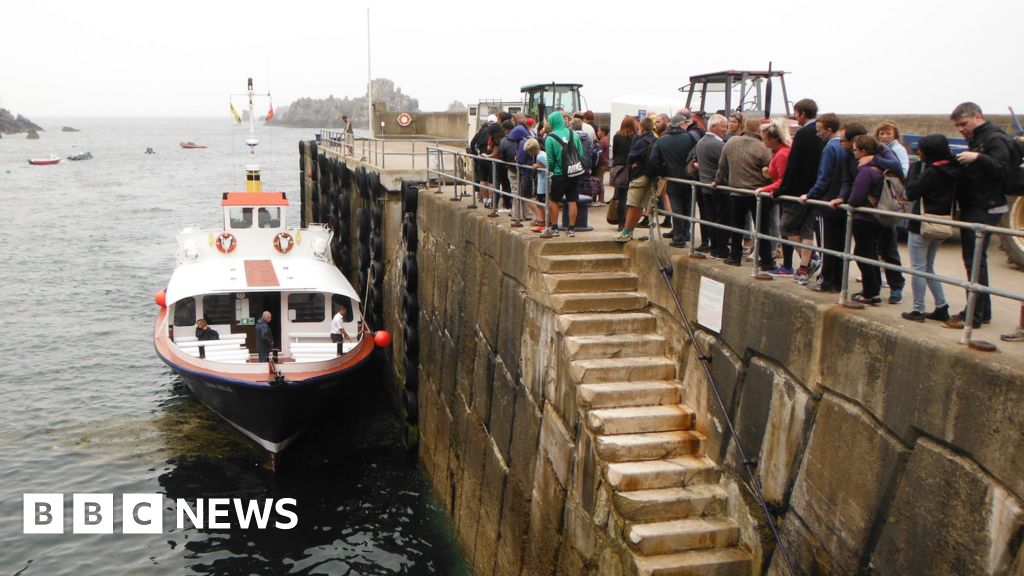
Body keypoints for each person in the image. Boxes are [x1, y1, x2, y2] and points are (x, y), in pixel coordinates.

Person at [945, 102, 1012, 329]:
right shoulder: (979, 137)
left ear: (977, 116)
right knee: (975, 260)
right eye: (957, 126)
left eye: (964, 124)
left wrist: (977, 158)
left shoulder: (995, 138)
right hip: (976, 205)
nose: (961, 129)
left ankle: (973, 315)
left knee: (974, 261)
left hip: (985, 207)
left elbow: (1002, 168)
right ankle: (982, 312)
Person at [900, 134, 958, 322]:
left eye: (921, 149)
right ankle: (941, 306)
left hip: (922, 224)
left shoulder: (932, 171)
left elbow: (911, 193)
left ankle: (918, 309)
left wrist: (912, 173)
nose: (919, 152)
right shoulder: (953, 169)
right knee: (928, 267)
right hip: (942, 223)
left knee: (918, 269)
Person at [713, 118, 773, 268]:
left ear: (744, 127)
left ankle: (735, 257)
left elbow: (722, 166)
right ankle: (766, 261)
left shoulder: (731, 142)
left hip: (736, 191)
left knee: (736, 227)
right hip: (757, 193)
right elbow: (769, 171)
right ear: (759, 130)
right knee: (762, 228)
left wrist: (717, 181)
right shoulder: (762, 147)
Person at [777, 99, 825, 280]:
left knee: (787, 226)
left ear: (802, 113)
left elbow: (794, 164)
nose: (796, 117)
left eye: (796, 113)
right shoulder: (821, 132)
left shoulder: (803, 133)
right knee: (806, 229)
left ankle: (810, 260)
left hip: (799, 191)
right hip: (817, 190)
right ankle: (804, 266)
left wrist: (783, 189)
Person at [838, 135, 885, 305]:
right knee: (870, 253)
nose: (853, 153)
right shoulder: (879, 169)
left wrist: (848, 201)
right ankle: (874, 291)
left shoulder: (866, 171)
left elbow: (856, 198)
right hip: (875, 218)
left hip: (864, 218)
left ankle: (869, 292)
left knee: (862, 254)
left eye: (855, 150)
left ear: (863, 151)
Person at [649, 112, 698, 247]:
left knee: (676, 207)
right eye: (686, 123)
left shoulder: (662, 140)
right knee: (688, 206)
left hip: (672, 177)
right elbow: (697, 155)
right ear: (681, 124)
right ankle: (686, 233)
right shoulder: (690, 137)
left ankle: (678, 237)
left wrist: (663, 173)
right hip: (689, 178)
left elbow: (653, 160)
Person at [756, 118, 793, 275]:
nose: (763, 142)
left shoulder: (782, 154)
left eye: (765, 138)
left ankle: (804, 261)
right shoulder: (779, 152)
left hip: (784, 196)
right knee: (785, 229)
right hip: (781, 194)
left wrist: (764, 188)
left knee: (787, 230)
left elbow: (783, 180)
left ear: (774, 139)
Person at [616, 116, 658, 242]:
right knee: (640, 206)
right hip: (650, 176)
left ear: (642, 127)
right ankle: (630, 229)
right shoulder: (656, 140)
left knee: (632, 204)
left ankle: (626, 232)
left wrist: (633, 163)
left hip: (639, 175)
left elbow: (630, 158)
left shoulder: (641, 141)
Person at [691, 113, 729, 256]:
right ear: (713, 127)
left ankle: (714, 247)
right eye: (723, 126)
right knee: (720, 220)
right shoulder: (718, 145)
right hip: (718, 188)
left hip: (705, 187)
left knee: (710, 219)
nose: (725, 129)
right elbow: (726, 166)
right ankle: (720, 249)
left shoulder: (701, 142)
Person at [544, 111, 585, 237]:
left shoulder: (550, 138)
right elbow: (581, 153)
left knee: (554, 201)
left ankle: (555, 228)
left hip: (559, 174)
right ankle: (571, 229)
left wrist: (552, 170)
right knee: (572, 201)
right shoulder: (574, 134)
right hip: (574, 172)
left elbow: (550, 160)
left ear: (552, 122)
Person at [611, 116, 638, 228]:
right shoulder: (635, 138)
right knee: (629, 197)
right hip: (631, 167)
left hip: (619, 168)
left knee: (620, 196)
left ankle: (620, 223)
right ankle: (627, 222)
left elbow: (615, 153)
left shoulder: (617, 137)